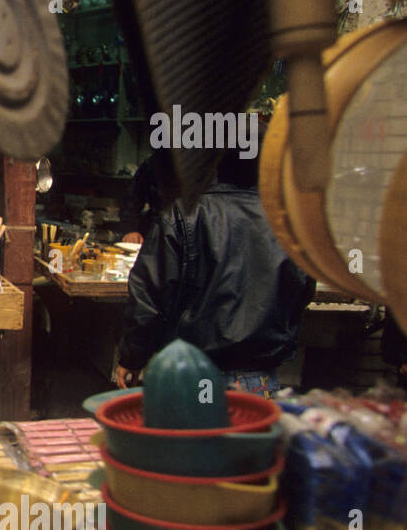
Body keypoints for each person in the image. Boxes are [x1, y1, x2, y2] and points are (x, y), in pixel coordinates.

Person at [115, 152, 313, 397]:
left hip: (189, 373)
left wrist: (133, 356)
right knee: (250, 435)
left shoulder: (181, 213)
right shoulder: (290, 221)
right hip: (258, 378)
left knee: (187, 437)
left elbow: (150, 295)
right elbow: (301, 290)